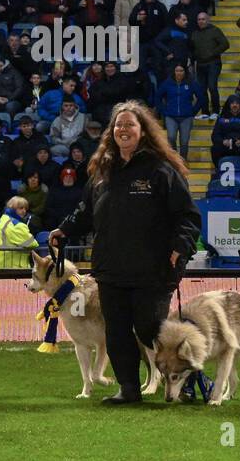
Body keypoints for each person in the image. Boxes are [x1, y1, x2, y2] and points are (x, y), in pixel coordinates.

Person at [50, 101, 201, 404]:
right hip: (111, 268)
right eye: (118, 125)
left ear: (143, 131)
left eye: (130, 124)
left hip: (153, 267)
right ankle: (128, 389)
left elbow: (188, 216)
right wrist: (64, 229)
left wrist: (178, 248)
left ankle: (185, 376)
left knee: (150, 329)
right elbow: (86, 210)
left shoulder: (162, 170)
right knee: (117, 332)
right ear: (111, 132)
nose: (123, 129)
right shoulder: (102, 171)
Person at [0, 195, 38, 268]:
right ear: (12, 208)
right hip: (11, 267)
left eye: (25, 208)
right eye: (20, 208)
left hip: (0, 265)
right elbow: (32, 243)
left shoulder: (3, 219)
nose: (24, 211)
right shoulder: (15, 224)